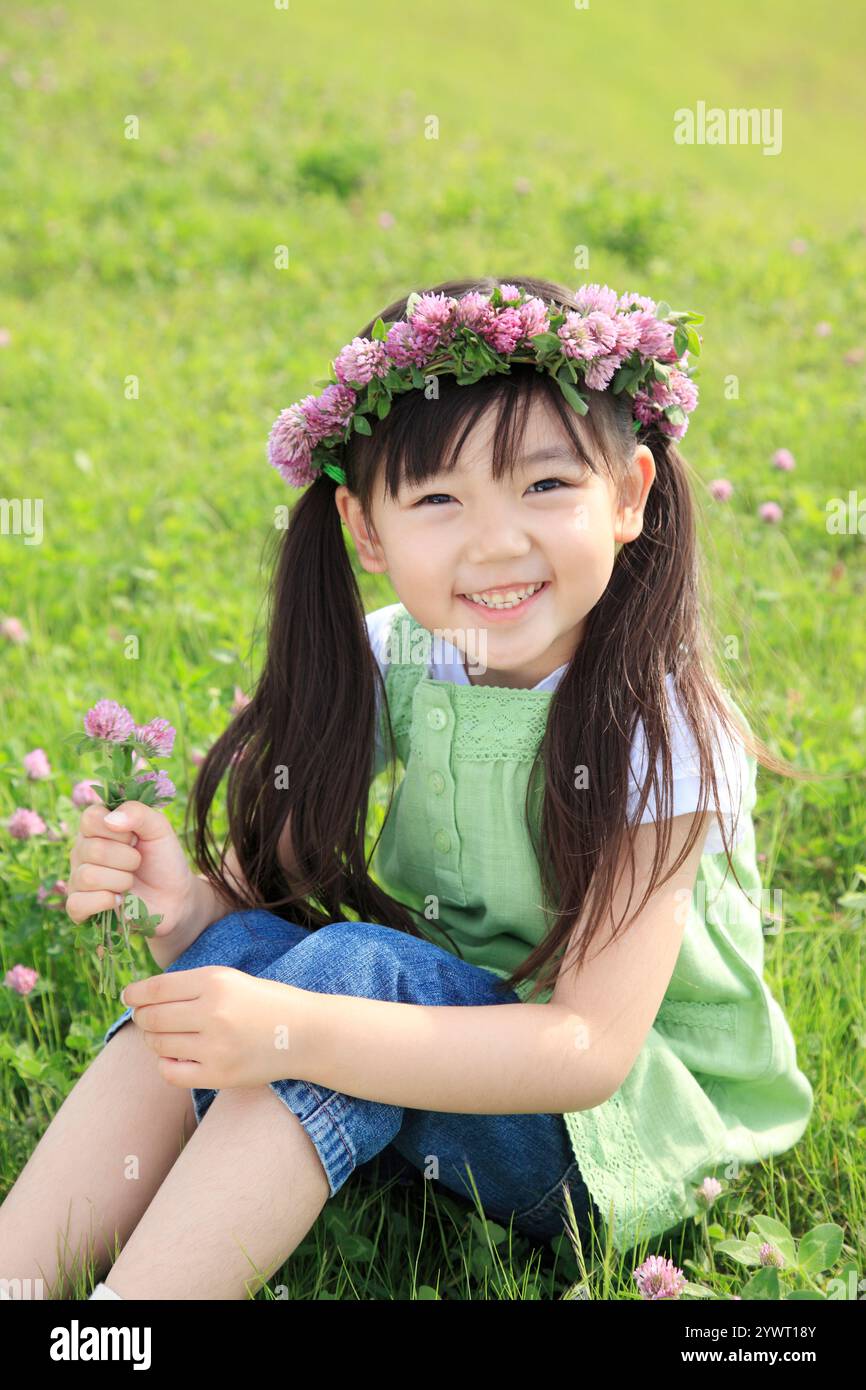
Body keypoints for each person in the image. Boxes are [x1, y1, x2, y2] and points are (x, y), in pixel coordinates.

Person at [0, 276, 815, 1302]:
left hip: (620, 1133)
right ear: (365, 529)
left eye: (544, 486)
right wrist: (189, 906)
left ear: (629, 494)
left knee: (336, 972)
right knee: (263, 958)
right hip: (424, 1041)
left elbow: (586, 1051)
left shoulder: (660, 730)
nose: (494, 542)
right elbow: (250, 930)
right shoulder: (392, 657)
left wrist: (296, 1027)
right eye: (437, 498)